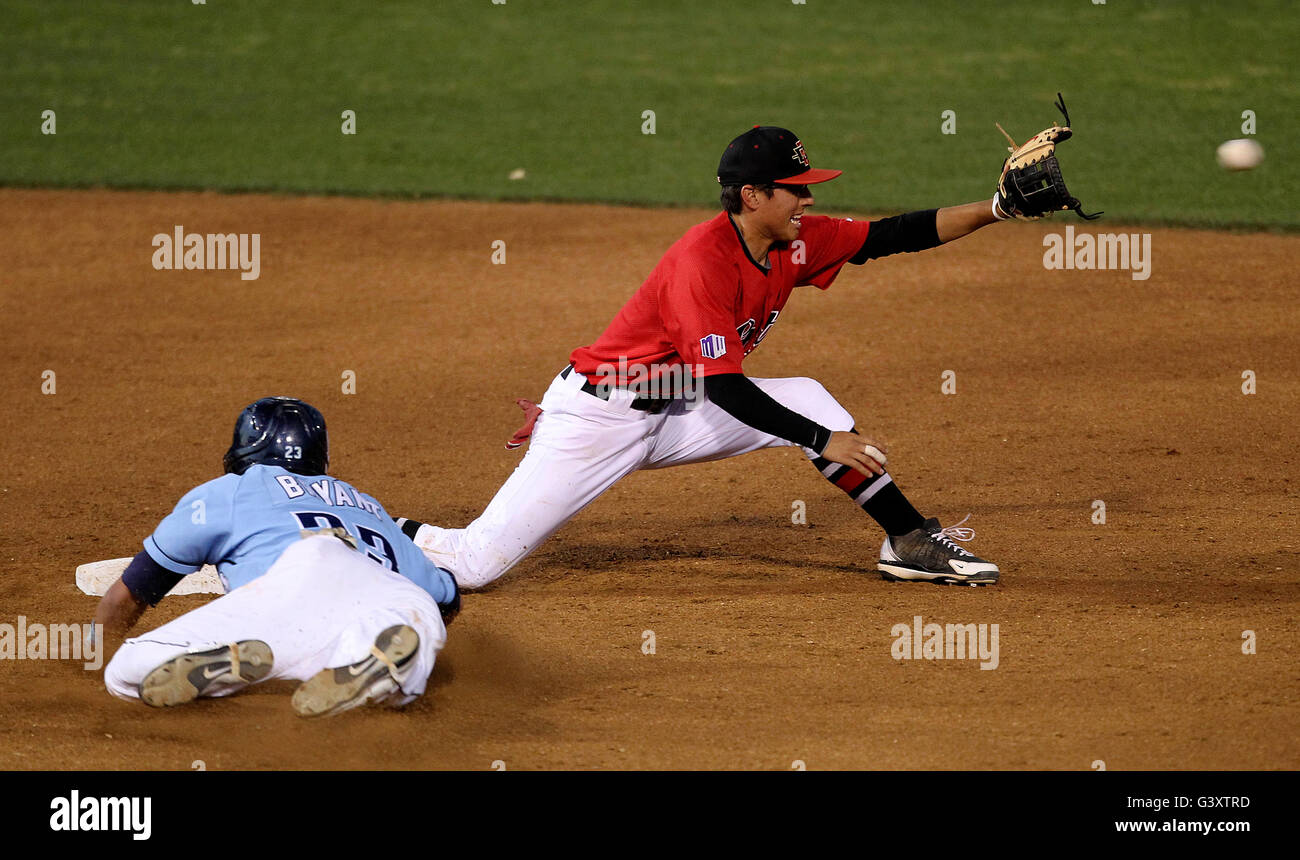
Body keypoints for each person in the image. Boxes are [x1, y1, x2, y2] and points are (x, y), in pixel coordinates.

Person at [403, 126, 1007, 590]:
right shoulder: (702, 264)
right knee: (476, 565)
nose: (807, 198)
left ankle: (908, 540)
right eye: (796, 188)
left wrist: (997, 209)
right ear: (753, 195)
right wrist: (822, 440)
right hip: (600, 419)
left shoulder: (792, 240)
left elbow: (892, 235)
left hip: (676, 408)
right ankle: (365, 528)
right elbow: (727, 388)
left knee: (809, 395)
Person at [96, 397, 461, 717]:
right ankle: (373, 664)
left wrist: (98, 652)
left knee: (123, 673)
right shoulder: (370, 507)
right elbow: (445, 597)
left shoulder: (236, 489)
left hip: (294, 589)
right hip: (392, 596)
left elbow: (130, 593)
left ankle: (226, 661)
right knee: (401, 635)